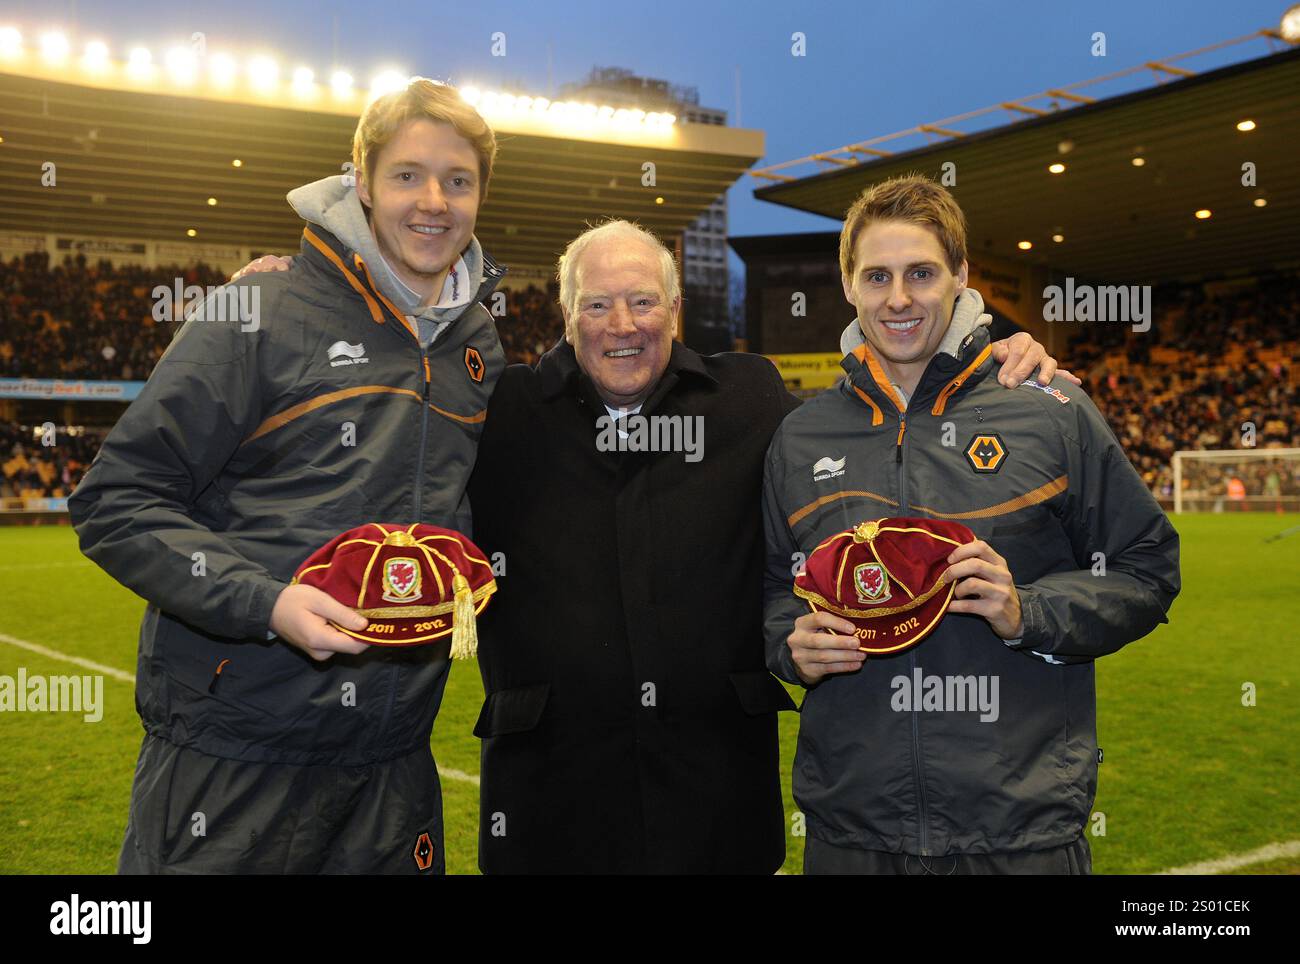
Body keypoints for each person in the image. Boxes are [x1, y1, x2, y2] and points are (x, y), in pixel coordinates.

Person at [238, 221, 1072, 875]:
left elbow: (873, 418)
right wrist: (300, 305)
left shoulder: (749, 398)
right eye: (597, 305)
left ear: (676, 311)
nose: (622, 325)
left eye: (643, 302)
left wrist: (992, 351)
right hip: (551, 803)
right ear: (567, 315)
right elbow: (398, 385)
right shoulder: (509, 407)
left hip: (715, 802)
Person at [68, 78, 505, 874]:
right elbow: (116, 500)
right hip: (237, 751)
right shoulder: (261, 310)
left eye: (459, 179)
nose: (433, 200)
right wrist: (265, 603)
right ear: (362, 180)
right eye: (408, 174)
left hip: (394, 757)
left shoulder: (478, 344)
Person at [763, 174, 1181, 874]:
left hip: (1018, 834)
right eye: (878, 276)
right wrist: (788, 643)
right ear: (848, 285)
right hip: (854, 834)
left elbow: (1147, 570)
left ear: (961, 275)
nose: (899, 298)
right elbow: (774, 587)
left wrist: (1031, 613)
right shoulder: (800, 437)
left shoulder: (1049, 410)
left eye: (921, 273)